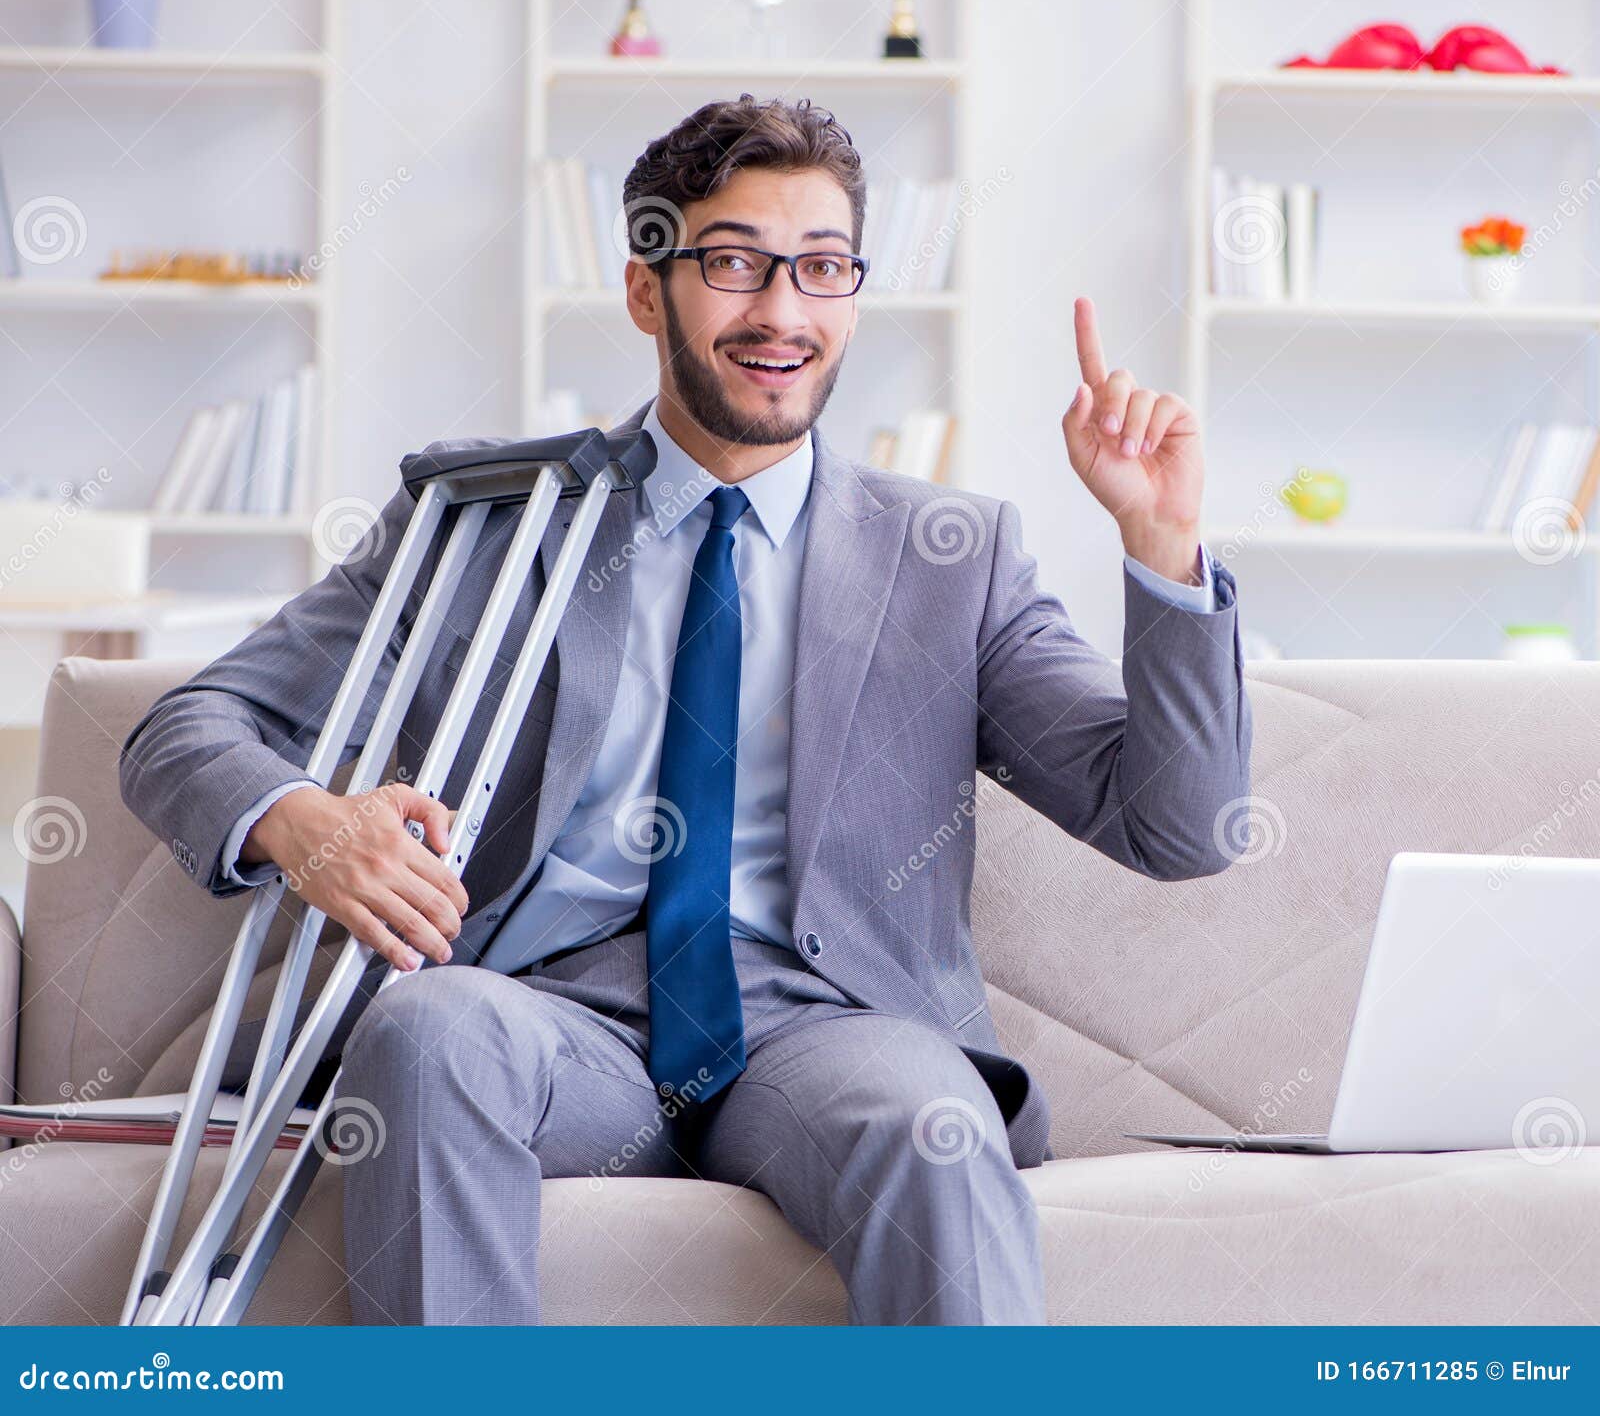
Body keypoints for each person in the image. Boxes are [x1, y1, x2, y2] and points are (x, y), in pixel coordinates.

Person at [120, 94, 1252, 1325]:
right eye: (732, 264)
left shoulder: (950, 555)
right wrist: (305, 822)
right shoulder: (489, 522)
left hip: (827, 1034)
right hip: (549, 1021)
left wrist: (1164, 547)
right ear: (646, 289)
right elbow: (189, 727)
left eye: (820, 269)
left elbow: (1181, 829)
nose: (781, 312)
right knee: (431, 1031)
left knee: (932, 1123)